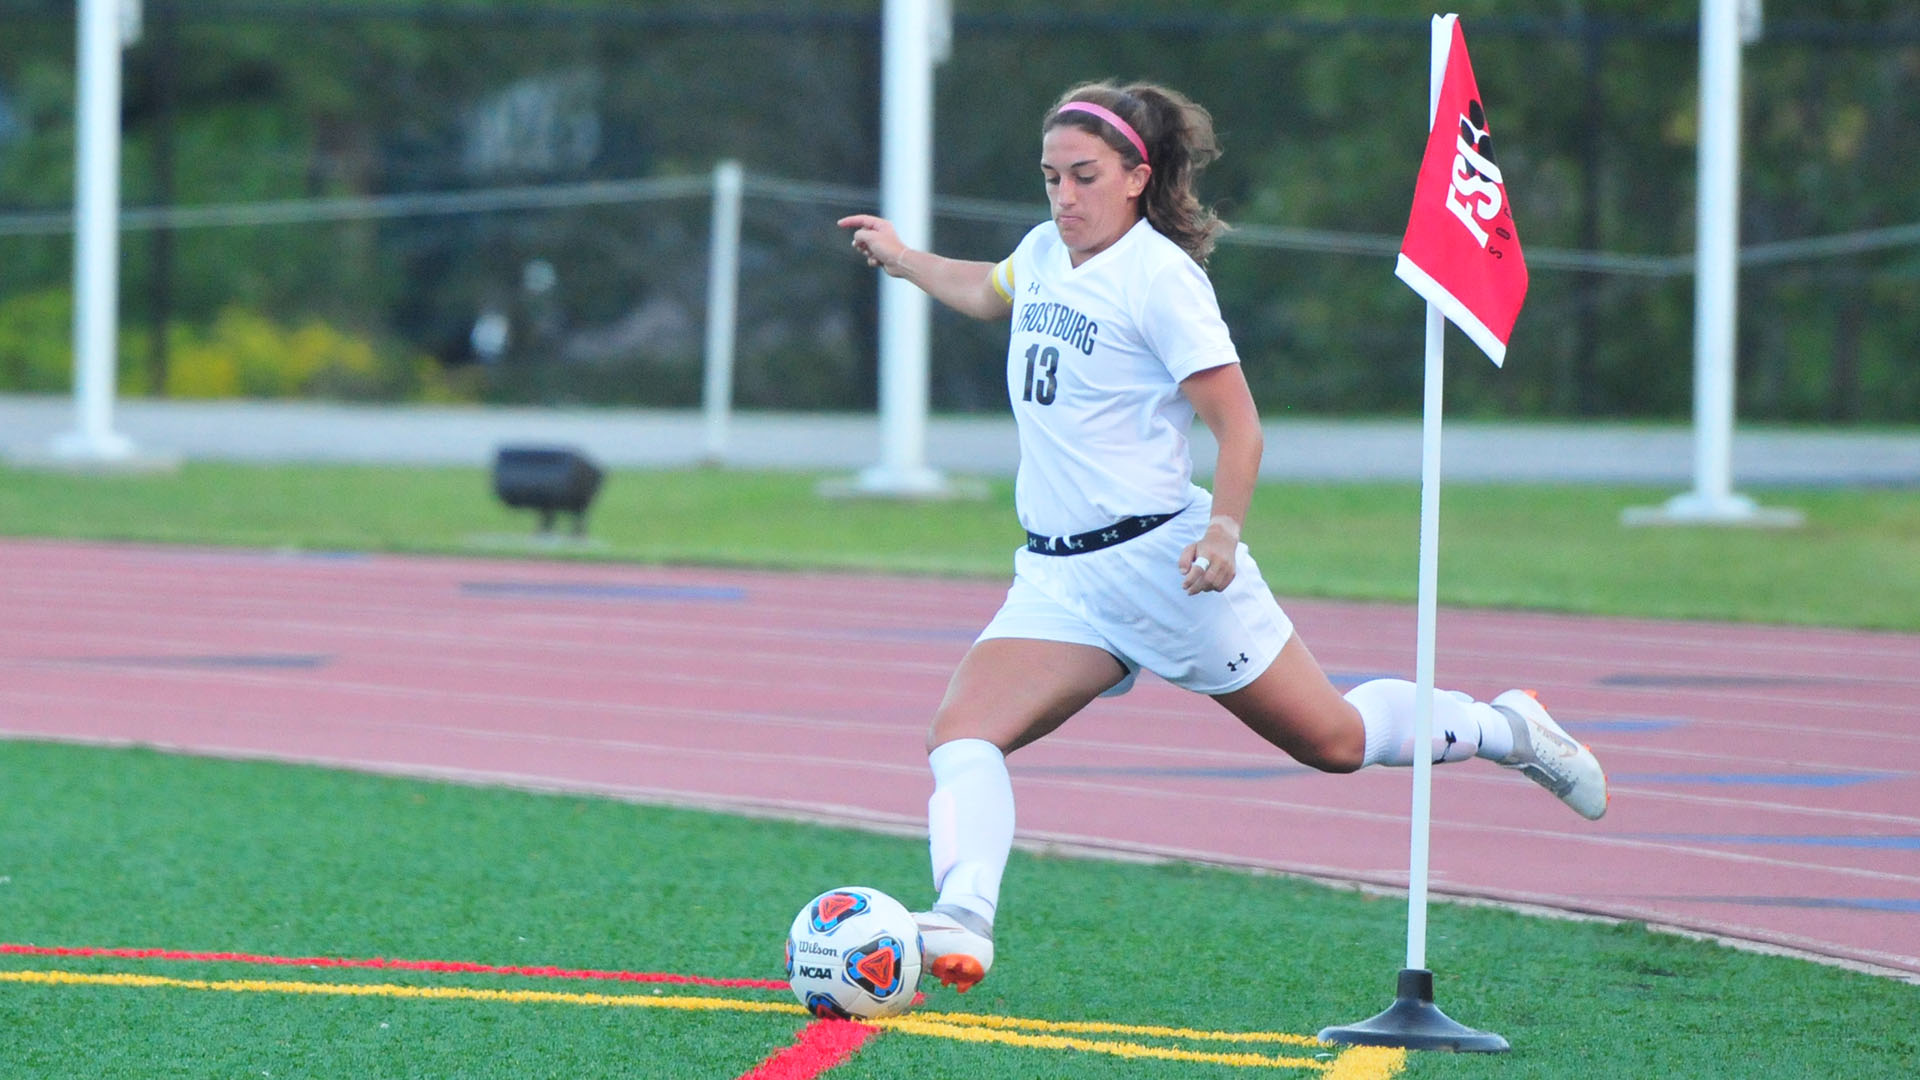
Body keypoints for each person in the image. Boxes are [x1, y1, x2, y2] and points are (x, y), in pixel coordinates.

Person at [837, 80, 1607, 995]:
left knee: (1332, 739)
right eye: (1050, 178)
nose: (1064, 197)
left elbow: (1240, 428)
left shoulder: (1163, 279)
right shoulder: (1043, 252)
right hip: (1059, 580)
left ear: (1137, 175)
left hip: (1170, 569)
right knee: (962, 734)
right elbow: (983, 290)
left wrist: (1226, 532)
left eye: (1084, 177)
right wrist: (902, 257)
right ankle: (963, 917)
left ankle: (1504, 726)